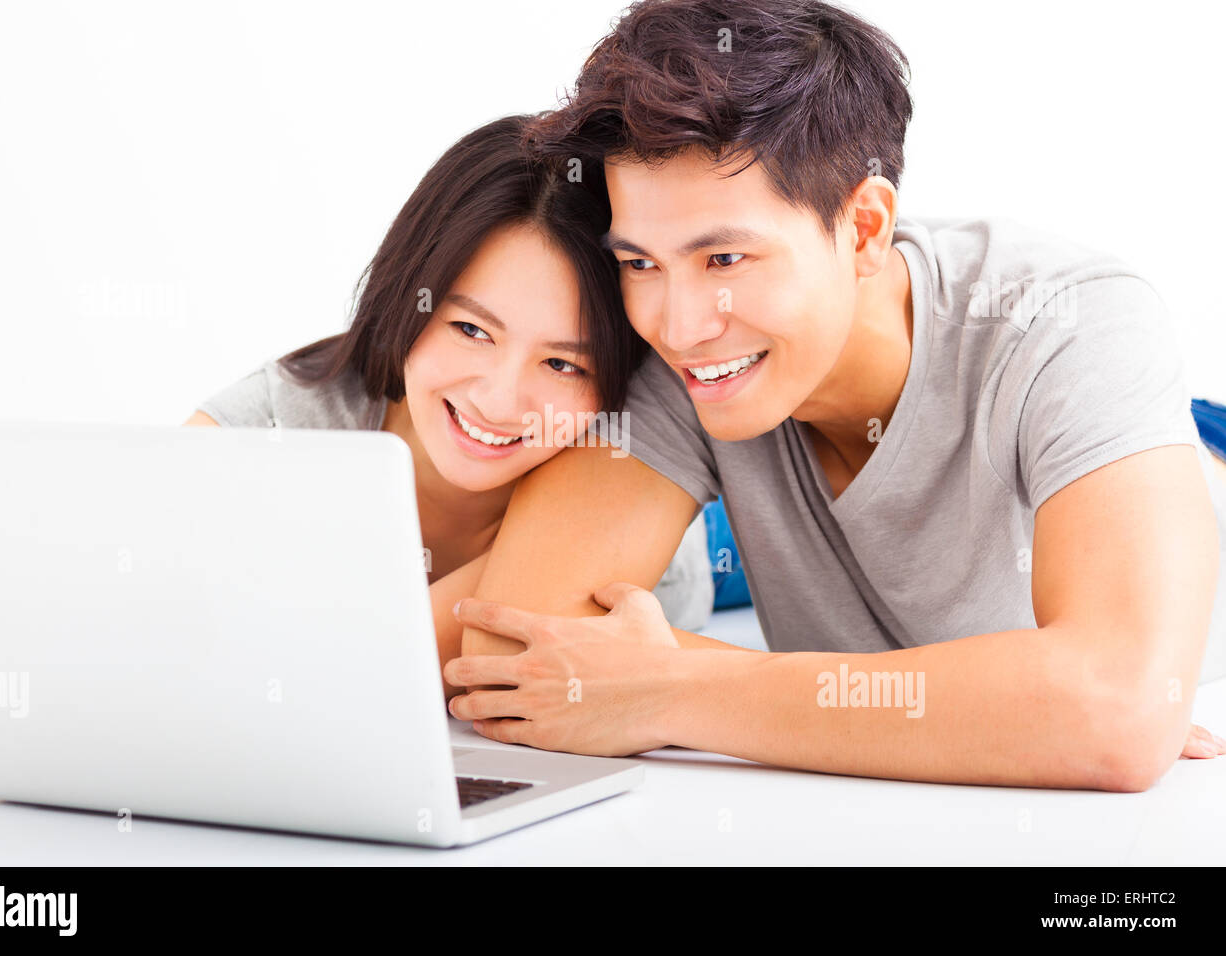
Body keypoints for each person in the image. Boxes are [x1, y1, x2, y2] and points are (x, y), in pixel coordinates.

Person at [444, 0, 1226, 789]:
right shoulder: (693, 355)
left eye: (723, 260)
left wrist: (669, 689)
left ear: (863, 227)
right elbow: (513, 653)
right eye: (641, 262)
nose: (676, 325)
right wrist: (1013, 709)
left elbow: (1119, 710)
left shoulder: (1072, 320)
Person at [0, 115, 713, 737]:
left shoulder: (626, 496)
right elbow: (107, 589)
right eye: (471, 330)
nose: (500, 401)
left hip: (716, 553)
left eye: (565, 366)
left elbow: (377, 666)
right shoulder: (279, 421)